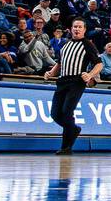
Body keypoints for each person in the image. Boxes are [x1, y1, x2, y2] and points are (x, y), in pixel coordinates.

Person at [43, 17, 101, 154]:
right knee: (55, 114)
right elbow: (60, 63)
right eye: (75, 26)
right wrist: (51, 73)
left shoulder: (87, 44)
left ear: (84, 30)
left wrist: (90, 75)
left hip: (76, 82)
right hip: (62, 81)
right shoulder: (65, 45)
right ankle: (74, 129)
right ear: (71, 29)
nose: (77, 29)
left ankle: (66, 147)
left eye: (80, 27)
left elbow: (99, 64)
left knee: (67, 112)